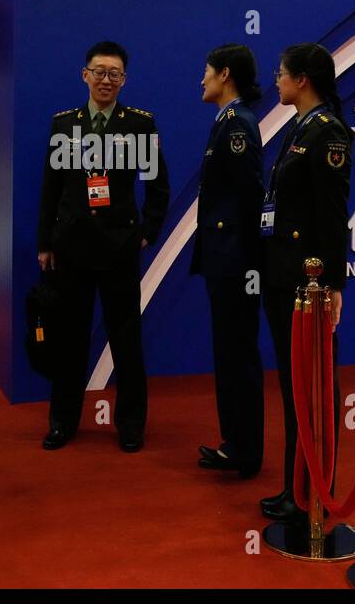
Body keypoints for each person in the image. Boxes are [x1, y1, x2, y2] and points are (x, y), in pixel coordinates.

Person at [36, 41, 169, 453]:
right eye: (99, 71)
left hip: (119, 247)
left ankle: (130, 425)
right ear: (85, 75)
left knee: (126, 339)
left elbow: (157, 185)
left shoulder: (139, 124)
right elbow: (51, 189)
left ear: (124, 80)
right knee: (69, 339)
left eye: (114, 74)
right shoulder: (65, 124)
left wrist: (146, 230)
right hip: (71, 248)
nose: (106, 80)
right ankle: (62, 422)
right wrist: (45, 242)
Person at [258, 43, 353, 524]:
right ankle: (295, 484)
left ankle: (315, 488)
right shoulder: (299, 129)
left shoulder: (328, 132)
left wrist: (333, 281)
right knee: (294, 385)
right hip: (284, 276)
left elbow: (333, 217)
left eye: (281, 73)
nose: (276, 81)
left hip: (307, 281)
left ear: (303, 80)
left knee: (313, 386)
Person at [191, 44, 265, 479]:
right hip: (225, 257)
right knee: (229, 352)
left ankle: (244, 448)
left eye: (206, 72)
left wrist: (246, 259)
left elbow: (248, 196)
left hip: (235, 261)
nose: (201, 81)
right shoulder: (225, 122)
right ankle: (234, 442)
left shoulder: (236, 124)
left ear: (224, 74)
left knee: (238, 354)